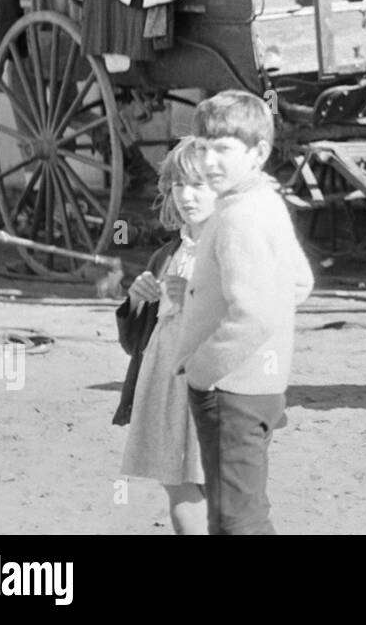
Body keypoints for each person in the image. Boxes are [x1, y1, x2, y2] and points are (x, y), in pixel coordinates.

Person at [174, 90, 314, 535]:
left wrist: (203, 369)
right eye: (202, 148)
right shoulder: (262, 201)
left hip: (230, 391)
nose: (210, 161)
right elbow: (299, 281)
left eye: (223, 150)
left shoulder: (238, 217)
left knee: (238, 520)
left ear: (259, 153)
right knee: (237, 509)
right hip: (259, 386)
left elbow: (253, 313)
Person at [114, 136, 213, 535]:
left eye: (200, 185)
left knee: (212, 487)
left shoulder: (230, 250)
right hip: (164, 382)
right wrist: (138, 301)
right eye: (179, 185)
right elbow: (137, 340)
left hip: (209, 383)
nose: (187, 196)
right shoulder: (169, 253)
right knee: (177, 484)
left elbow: (250, 317)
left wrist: (193, 299)